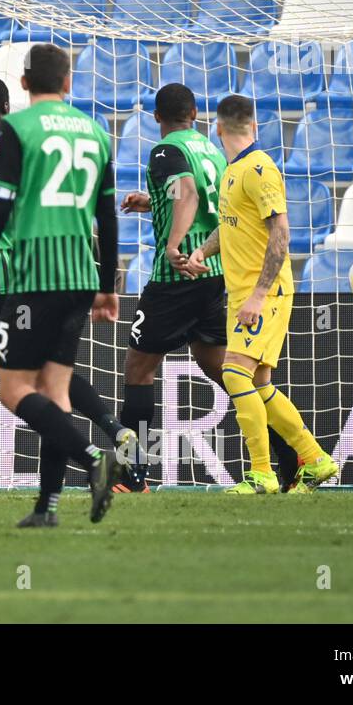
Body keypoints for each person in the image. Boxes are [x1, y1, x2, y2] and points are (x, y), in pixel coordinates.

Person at [0, 44, 123, 524]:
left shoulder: (18, 128)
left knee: (13, 391)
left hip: (36, 277)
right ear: (68, 82)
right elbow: (106, 216)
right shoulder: (96, 132)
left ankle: (94, 459)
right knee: (56, 394)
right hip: (80, 274)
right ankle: (47, 508)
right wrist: (107, 282)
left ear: (25, 84)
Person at [116, 83, 300, 493]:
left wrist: (173, 245)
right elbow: (209, 197)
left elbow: (186, 195)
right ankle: (292, 460)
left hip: (178, 279)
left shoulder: (166, 150)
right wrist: (151, 201)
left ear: (156, 118)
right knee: (228, 373)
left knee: (139, 371)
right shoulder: (212, 151)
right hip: (218, 275)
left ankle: (131, 477)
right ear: (196, 114)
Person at [183, 94, 339, 495]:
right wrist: (203, 250)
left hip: (262, 293)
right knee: (261, 385)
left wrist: (258, 295)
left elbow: (282, 233)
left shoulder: (260, 167)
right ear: (254, 125)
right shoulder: (232, 171)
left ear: (217, 128)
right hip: (242, 293)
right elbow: (233, 225)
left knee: (234, 373)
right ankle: (316, 459)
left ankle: (262, 473)